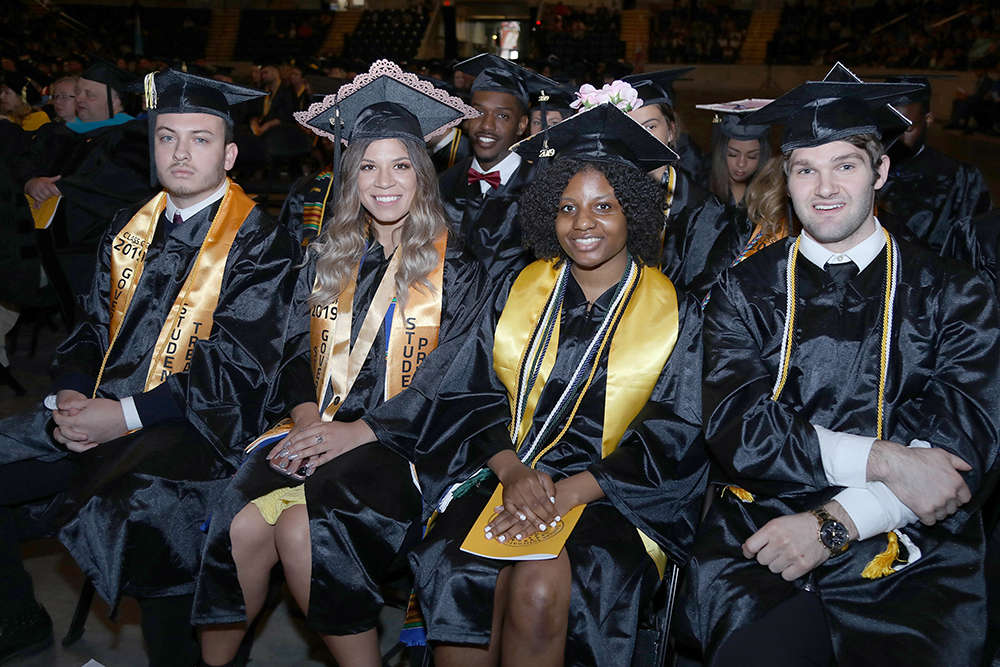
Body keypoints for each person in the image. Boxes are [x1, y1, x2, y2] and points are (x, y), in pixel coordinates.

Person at [681, 76, 1000, 667]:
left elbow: (960, 453)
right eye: (805, 170)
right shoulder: (742, 289)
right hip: (764, 525)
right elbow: (739, 428)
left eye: (845, 166)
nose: (824, 189)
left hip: (909, 541)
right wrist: (887, 457)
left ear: (879, 174)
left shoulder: (956, 293)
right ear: (787, 178)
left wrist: (836, 523)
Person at [193, 60, 490, 667]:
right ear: (349, 177)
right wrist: (305, 415)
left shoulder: (458, 264)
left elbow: (457, 376)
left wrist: (361, 430)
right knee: (241, 520)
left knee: (305, 531)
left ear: (423, 175)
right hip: (316, 424)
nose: (384, 182)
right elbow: (294, 350)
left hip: (405, 445)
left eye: (401, 165)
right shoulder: (329, 255)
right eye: (368, 167)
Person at [0, 69, 297, 667]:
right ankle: (19, 620)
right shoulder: (127, 230)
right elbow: (86, 329)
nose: (181, 152)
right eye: (167, 137)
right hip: (100, 410)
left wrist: (125, 416)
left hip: (201, 427)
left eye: (201, 138)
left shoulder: (263, 244)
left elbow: (237, 371)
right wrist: (69, 397)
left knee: (154, 509)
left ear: (230, 153)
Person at [404, 102, 708, 667]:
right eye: (567, 207)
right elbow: (466, 393)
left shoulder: (677, 312)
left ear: (633, 212)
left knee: (543, 586)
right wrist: (513, 472)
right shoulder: (516, 289)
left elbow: (676, 433)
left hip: (614, 494)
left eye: (603, 206)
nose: (583, 223)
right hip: (503, 471)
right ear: (548, 213)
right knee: (459, 566)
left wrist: (568, 493)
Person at [15, 58, 155, 294]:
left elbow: (125, 177)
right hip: (36, 237)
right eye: (78, 92)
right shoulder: (56, 132)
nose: (79, 99)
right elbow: (24, 161)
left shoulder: (133, 135)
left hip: (94, 244)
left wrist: (61, 188)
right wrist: (32, 182)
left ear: (115, 102)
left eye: (90, 95)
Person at [605, 72, 730, 291]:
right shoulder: (601, 195)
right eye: (630, 129)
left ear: (671, 131)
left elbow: (704, 289)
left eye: (650, 127)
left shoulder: (702, 209)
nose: (641, 139)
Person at [437, 53, 557, 279]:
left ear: (522, 125)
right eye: (479, 112)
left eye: (502, 116)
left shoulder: (544, 187)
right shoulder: (444, 183)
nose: (486, 125)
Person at [877, 76, 992, 251]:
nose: (898, 138)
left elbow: (976, 245)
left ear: (929, 119)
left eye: (908, 128)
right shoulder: (867, 170)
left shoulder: (958, 177)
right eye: (890, 127)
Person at [702, 106, 771, 206]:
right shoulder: (702, 190)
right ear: (721, 153)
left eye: (752, 156)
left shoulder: (772, 198)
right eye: (733, 155)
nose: (741, 163)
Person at [250, 62, 296, 136]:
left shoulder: (287, 91)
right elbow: (253, 110)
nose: (263, 76)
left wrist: (268, 125)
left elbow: (286, 114)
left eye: (266, 72)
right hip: (260, 128)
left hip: (279, 131)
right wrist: (253, 121)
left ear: (275, 72)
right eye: (262, 73)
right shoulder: (261, 90)